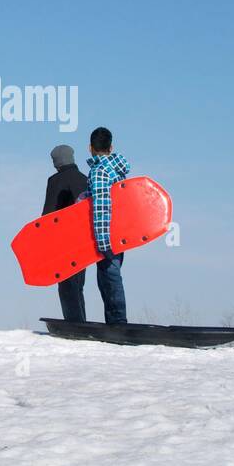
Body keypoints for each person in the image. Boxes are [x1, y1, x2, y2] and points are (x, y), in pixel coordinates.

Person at [82, 127, 131, 325]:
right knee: (107, 277)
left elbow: (102, 206)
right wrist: (86, 196)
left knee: (110, 276)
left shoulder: (99, 171)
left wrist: (103, 242)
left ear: (90, 148)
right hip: (121, 231)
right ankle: (114, 322)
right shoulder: (115, 168)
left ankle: (118, 323)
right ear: (111, 147)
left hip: (107, 234)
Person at [42, 144, 89, 322]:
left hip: (64, 241)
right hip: (84, 240)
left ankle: (74, 324)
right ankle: (81, 321)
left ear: (56, 162)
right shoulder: (85, 179)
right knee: (78, 285)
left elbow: (48, 213)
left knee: (66, 284)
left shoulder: (55, 181)